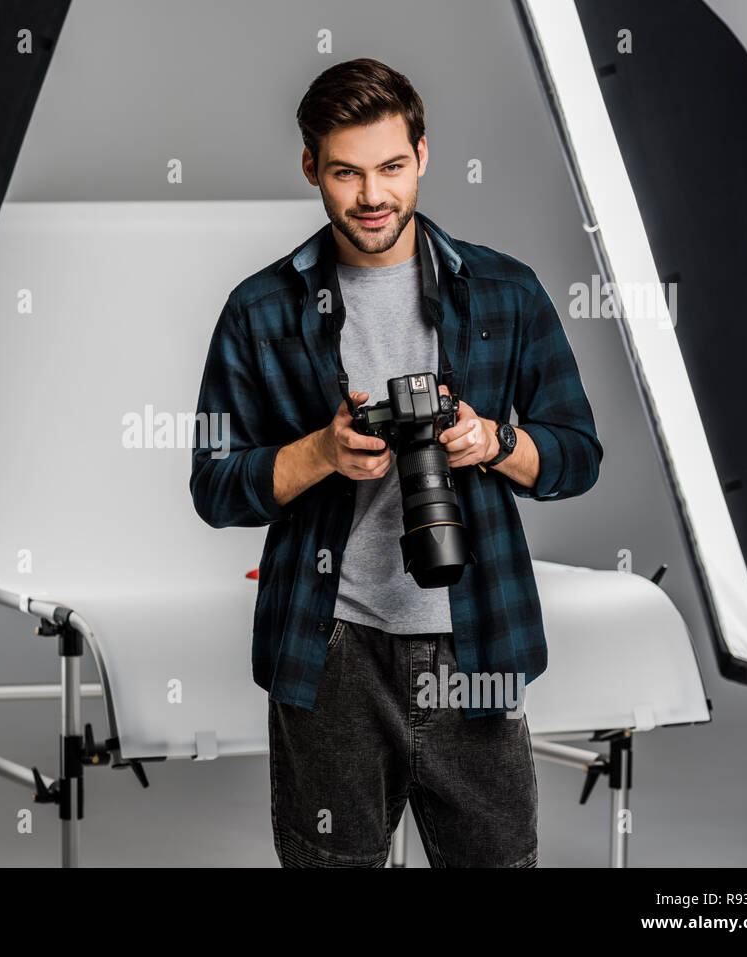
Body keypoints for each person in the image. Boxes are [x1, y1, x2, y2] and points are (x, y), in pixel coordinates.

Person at [189, 58, 603, 867]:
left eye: (390, 167)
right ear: (311, 167)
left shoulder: (504, 292)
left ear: (423, 155)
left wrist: (496, 442)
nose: (372, 196)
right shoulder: (260, 309)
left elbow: (578, 455)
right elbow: (213, 486)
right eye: (345, 172)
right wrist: (322, 451)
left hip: (476, 640)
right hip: (331, 645)